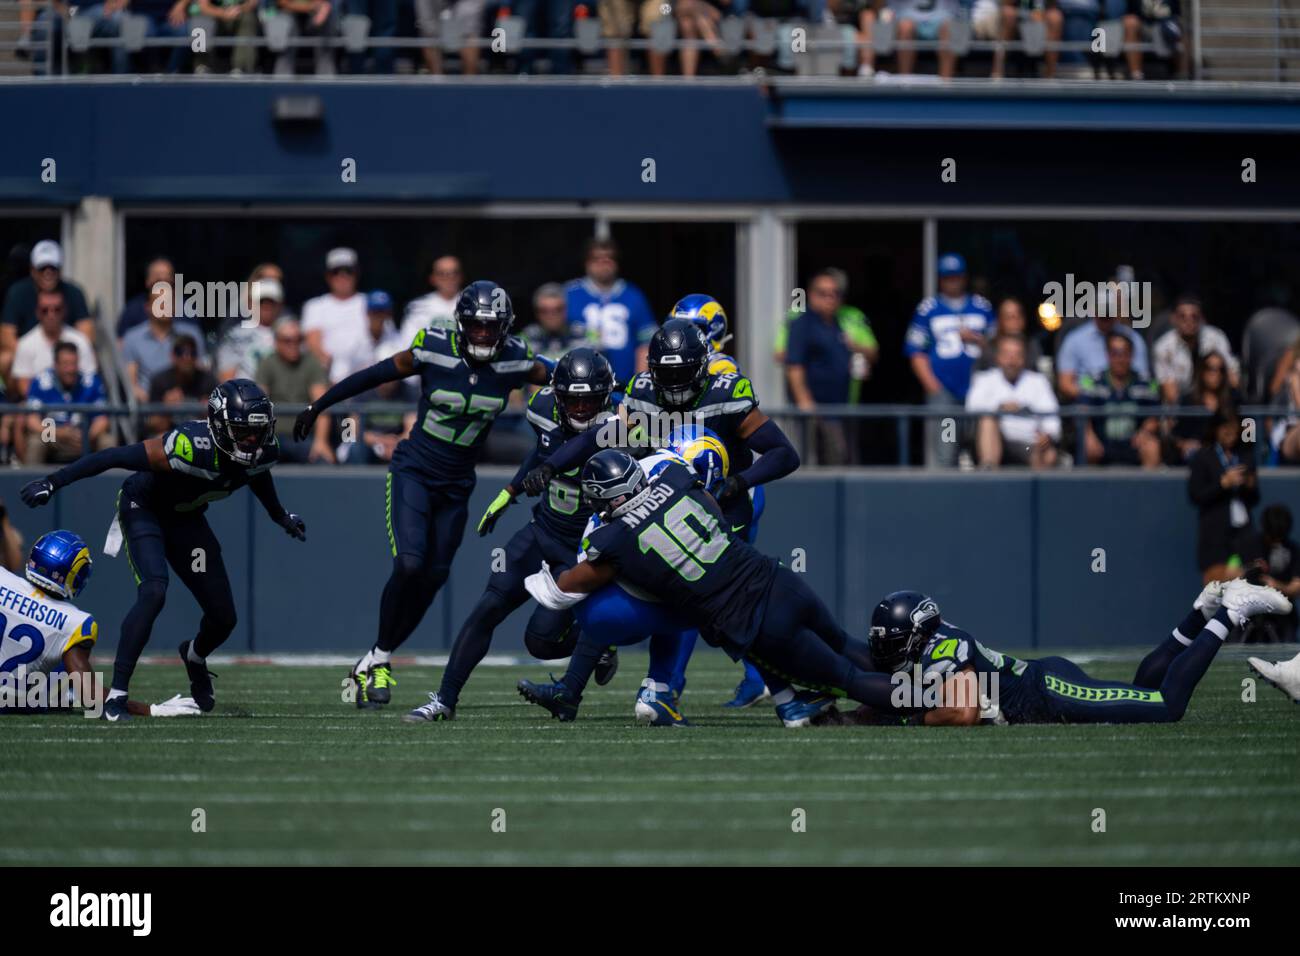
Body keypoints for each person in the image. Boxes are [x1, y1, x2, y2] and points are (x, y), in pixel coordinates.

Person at [517, 319, 801, 722]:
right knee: (681, 595)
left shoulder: (727, 393)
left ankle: (764, 692)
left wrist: (738, 482)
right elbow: (601, 437)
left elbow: (784, 454)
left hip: (721, 512)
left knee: (725, 607)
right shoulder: (643, 392)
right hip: (662, 509)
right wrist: (551, 466)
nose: (673, 383)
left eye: (682, 373)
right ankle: (634, 689)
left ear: (703, 367)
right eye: (665, 373)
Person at [292, 281, 552, 708]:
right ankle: (378, 657)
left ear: (504, 328)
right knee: (411, 564)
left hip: (457, 482)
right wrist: (319, 405)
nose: (484, 335)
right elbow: (373, 374)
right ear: (461, 324)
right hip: (415, 470)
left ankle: (377, 657)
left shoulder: (516, 359)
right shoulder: (434, 347)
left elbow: (569, 375)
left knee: (434, 576)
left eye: (492, 327)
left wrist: (629, 395)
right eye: (477, 326)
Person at [518, 449, 905, 726]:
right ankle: (935, 684)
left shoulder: (615, 541)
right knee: (843, 642)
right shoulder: (673, 479)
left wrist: (543, 565)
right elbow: (714, 509)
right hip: (775, 578)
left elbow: (558, 591)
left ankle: (931, 704)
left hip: (751, 619)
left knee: (846, 679)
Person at [19, 380, 306, 722]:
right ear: (218, 426)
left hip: (186, 521)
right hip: (145, 507)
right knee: (154, 590)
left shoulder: (263, 450)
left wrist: (279, 516)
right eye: (243, 431)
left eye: (257, 432)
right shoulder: (189, 446)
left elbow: (255, 472)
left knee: (224, 617)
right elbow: (113, 456)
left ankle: (195, 657)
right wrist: (54, 481)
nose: (251, 441)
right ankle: (117, 698)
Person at [404, 348, 617, 722]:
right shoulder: (542, 408)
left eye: (590, 400)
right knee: (489, 605)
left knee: (539, 642)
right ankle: (444, 699)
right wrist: (510, 492)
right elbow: (541, 453)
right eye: (573, 399)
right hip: (543, 530)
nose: (581, 409)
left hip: (585, 549)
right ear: (559, 394)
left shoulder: (625, 426)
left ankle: (597, 642)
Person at [826, 582, 1290, 726]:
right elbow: (907, 696)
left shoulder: (945, 647)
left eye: (890, 640)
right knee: (1140, 692)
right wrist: (851, 717)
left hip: (1049, 692)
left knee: (1165, 706)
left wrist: (905, 718)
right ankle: (1198, 614)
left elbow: (963, 709)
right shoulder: (934, 642)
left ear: (914, 633)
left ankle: (1229, 614)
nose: (884, 651)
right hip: (1043, 684)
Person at [0, 530, 200, 718]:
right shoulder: (75, 621)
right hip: (10, 699)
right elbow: (90, 695)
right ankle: (64, 696)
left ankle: (61, 694)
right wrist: (151, 710)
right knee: (65, 671)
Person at [904, 253, 993, 467]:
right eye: (947, 277)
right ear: (940, 279)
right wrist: (933, 386)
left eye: (957, 276)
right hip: (945, 392)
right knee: (947, 449)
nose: (953, 281)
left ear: (964, 277)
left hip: (978, 390)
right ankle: (945, 496)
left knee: (978, 448)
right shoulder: (929, 308)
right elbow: (915, 350)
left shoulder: (981, 306)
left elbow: (998, 347)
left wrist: (979, 341)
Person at [565, 238, 657, 385]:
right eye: (596, 259)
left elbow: (646, 343)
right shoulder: (569, 294)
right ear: (586, 262)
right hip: (578, 386)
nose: (603, 263)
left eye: (609, 258)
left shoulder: (633, 295)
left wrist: (638, 386)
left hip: (622, 385)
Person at [965, 334, 1060, 469]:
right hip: (996, 441)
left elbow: (1052, 416)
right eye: (1007, 354)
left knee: (1049, 454)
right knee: (987, 419)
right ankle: (989, 474)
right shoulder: (984, 379)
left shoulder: (1038, 381)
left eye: (1017, 355)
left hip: (1028, 445)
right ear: (998, 357)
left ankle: (1037, 489)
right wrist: (1000, 408)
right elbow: (972, 408)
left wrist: (1048, 435)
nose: (1012, 360)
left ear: (1024, 358)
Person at [1188, 409, 1258, 584]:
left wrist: (1249, 485)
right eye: (1225, 429)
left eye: (1234, 430)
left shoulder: (1244, 456)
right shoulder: (1203, 457)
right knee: (1215, 597)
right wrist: (1223, 484)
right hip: (1216, 538)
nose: (1231, 434)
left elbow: (1255, 497)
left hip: (1243, 536)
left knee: (1245, 598)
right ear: (1216, 430)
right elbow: (1196, 495)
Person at [1079, 331, 1161, 468]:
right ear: (1107, 355)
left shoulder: (1146, 382)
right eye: (1115, 353)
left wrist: (1145, 432)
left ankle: (1147, 489)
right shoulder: (1092, 381)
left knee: (1152, 447)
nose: (1120, 359)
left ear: (1132, 355)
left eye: (1124, 353)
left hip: (1135, 443)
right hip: (1102, 443)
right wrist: (1089, 435)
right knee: (1087, 446)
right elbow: (1082, 412)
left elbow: (1155, 415)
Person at [23, 341, 113, 464]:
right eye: (65, 364)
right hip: (54, 437)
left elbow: (102, 419)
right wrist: (58, 432)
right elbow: (32, 421)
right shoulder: (41, 382)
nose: (70, 369)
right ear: (55, 365)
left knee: (107, 441)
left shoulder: (91, 382)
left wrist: (87, 436)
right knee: (35, 442)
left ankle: (111, 483)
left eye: (73, 364)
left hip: (86, 436)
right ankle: (32, 482)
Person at [1171, 351, 1238, 464]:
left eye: (1220, 369)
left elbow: (1249, 423)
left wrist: (1244, 445)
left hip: (1229, 452)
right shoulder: (1189, 400)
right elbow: (1176, 435)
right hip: (1198, 454)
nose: (1215, 373)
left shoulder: (1234, 399)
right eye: (1210, 368)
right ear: (1201, 371)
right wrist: (1185, 444)